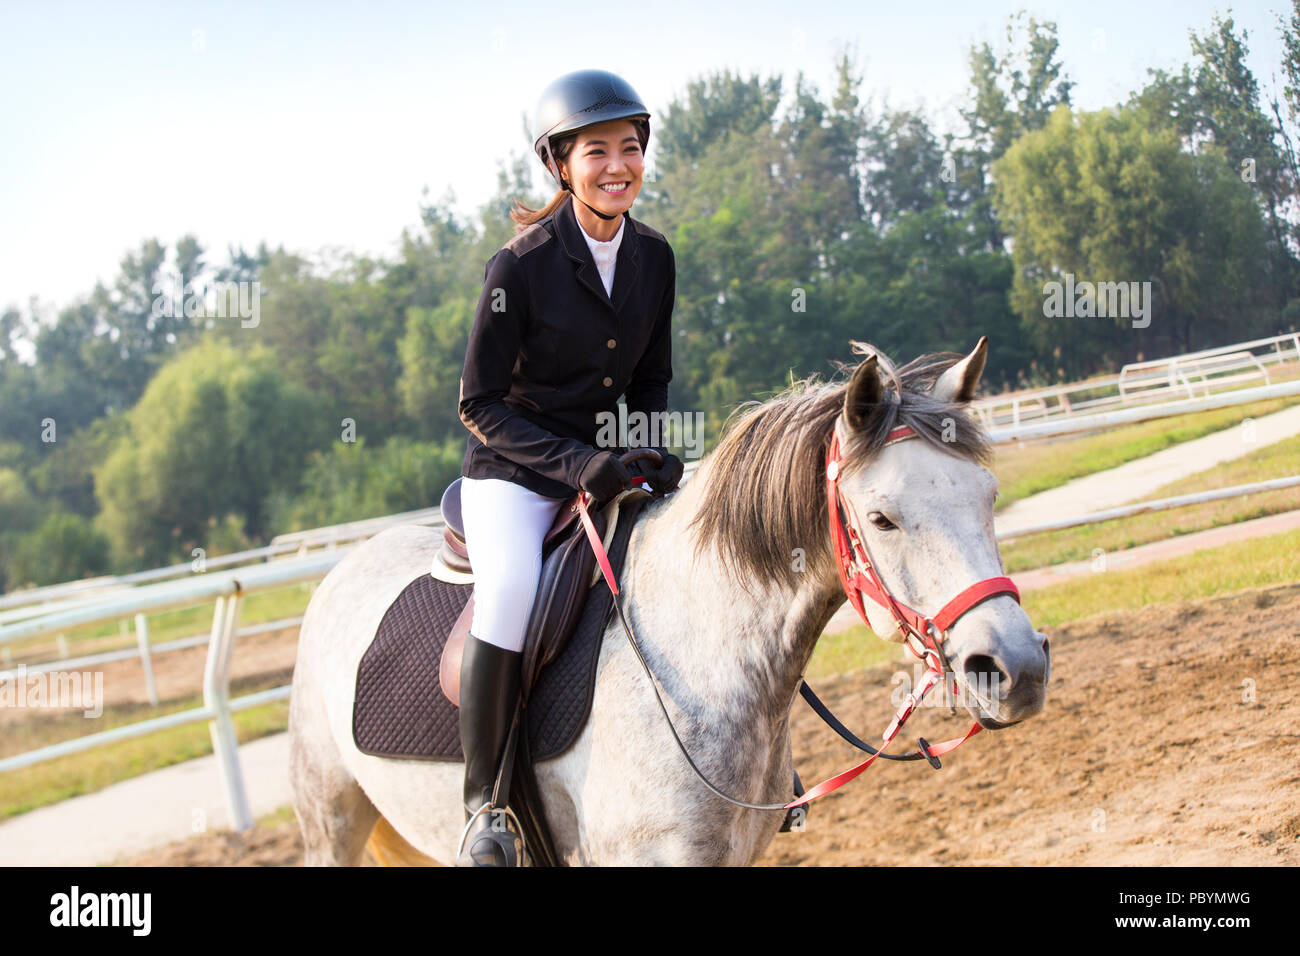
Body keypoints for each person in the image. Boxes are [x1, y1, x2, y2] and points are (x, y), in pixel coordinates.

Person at [452, 69, 685, 866]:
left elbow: (649, 380)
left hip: (607, 469)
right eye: (597, 151)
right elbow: (478, 403)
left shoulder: (654, 256)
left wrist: (645, 446)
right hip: (513, 475)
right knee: (511, 588)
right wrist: (582, 462)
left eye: (630, 147)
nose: (617, 164)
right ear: (560, 164)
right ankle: (485, 807)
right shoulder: (519, 266)